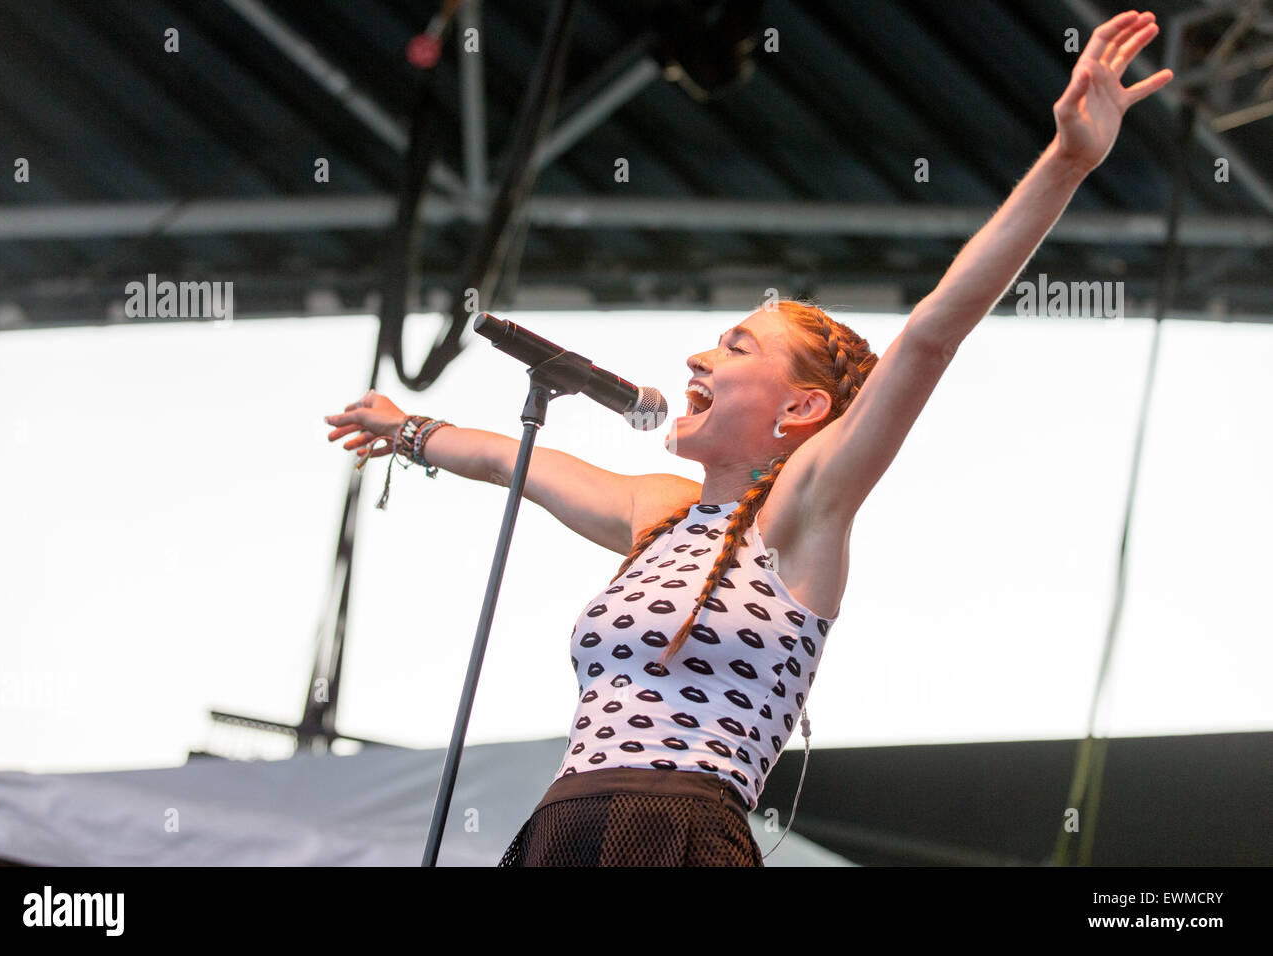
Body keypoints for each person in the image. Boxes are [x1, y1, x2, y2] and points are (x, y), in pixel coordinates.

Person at [323, 10, 1172, 867]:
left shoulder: (805, 512)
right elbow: (514, 459)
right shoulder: (658, 512)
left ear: (800, 411)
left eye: (735, 347)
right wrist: (411, 431)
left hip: (680, 831)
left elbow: (928, 336)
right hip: (561, 829)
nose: (698, 354)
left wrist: (1066, 161)